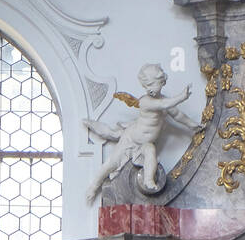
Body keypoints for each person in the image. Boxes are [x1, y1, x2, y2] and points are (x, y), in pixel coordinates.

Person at [83, 63, 195, 203]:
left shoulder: (165, 101)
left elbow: (178, 116)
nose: (150, 89)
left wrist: (193, 125)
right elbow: (162, 105)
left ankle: (148, 181)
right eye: (146, 86)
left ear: (163, 81)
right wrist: (181, 97)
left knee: (150, 151)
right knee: (112, 163)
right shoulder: (146, 101)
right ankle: (94, 186)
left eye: (153, 84)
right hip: (131, 139)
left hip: (145, 143)